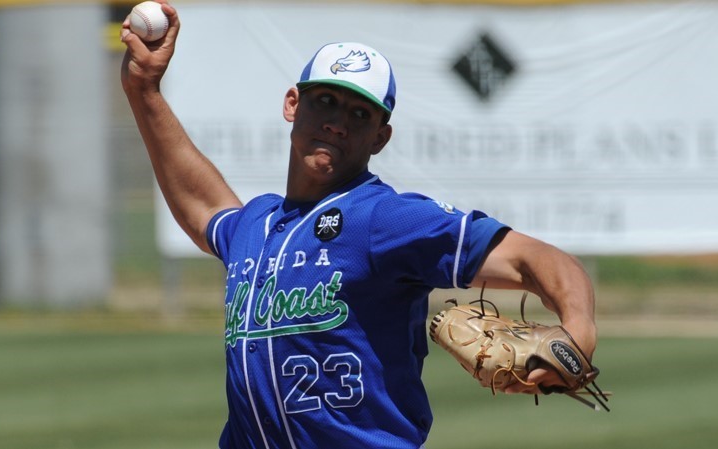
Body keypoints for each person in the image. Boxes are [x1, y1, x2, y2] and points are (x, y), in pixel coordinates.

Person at [120, 2, 598, 448]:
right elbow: (204, 208)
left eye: (359, 113)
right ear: (292, 104)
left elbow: (538, 260)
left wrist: (578, 329)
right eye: (325, 100)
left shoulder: (382, 219)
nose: (337, 122)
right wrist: (144, 91)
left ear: (381, 137)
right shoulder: (256, 224)